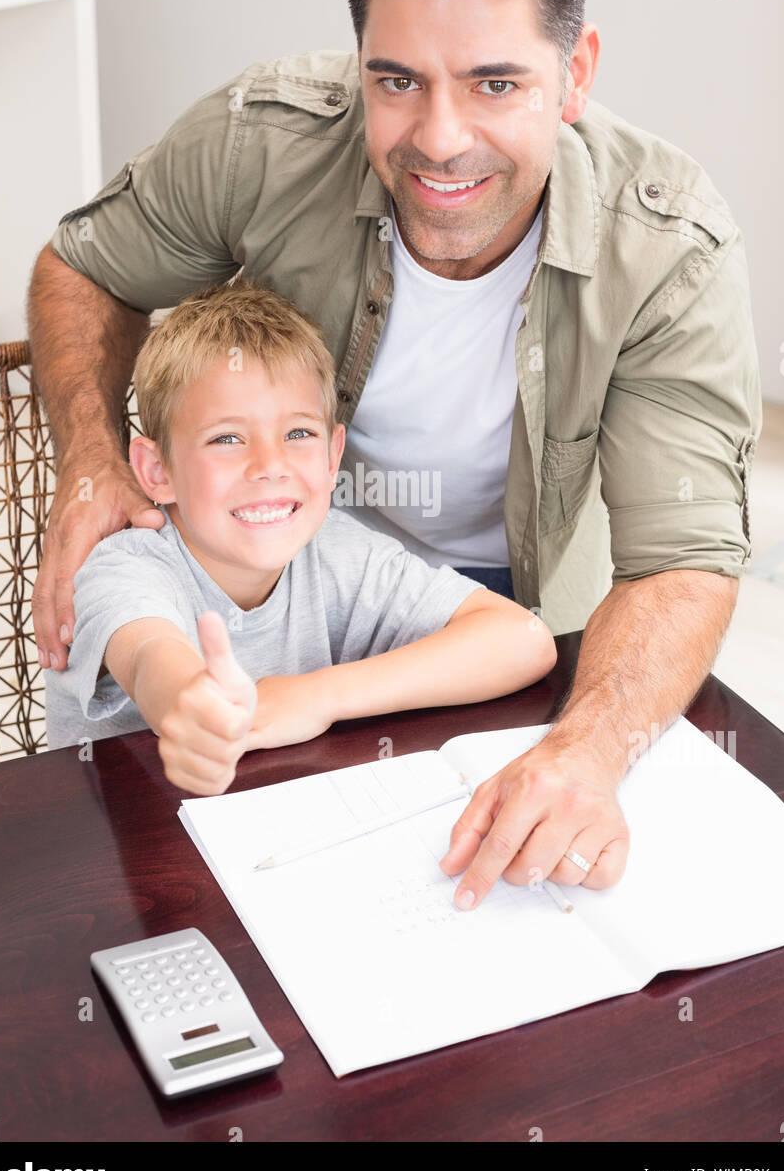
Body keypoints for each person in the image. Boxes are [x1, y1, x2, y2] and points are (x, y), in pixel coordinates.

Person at [28, 0, 761, 904]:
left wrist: (588, 748)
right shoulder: (261, 138)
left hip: (502, 634)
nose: (439, 138)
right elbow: (83, 262)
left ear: (575, 71)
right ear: (359, 61)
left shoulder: (669, 246)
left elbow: (680, 560)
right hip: (284, 591)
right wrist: (93, 456)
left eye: (495, 83)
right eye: (396, 80)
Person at [42, 279, 558, 803]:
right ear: (156, 470)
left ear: (333, 457)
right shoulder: (125, 566)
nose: (270, 467)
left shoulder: (337, 550)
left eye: (298, 434)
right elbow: (150, 654)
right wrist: (188, 700)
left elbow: (524, 639)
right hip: (119, 855)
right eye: (226, 438)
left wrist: (317, 697)